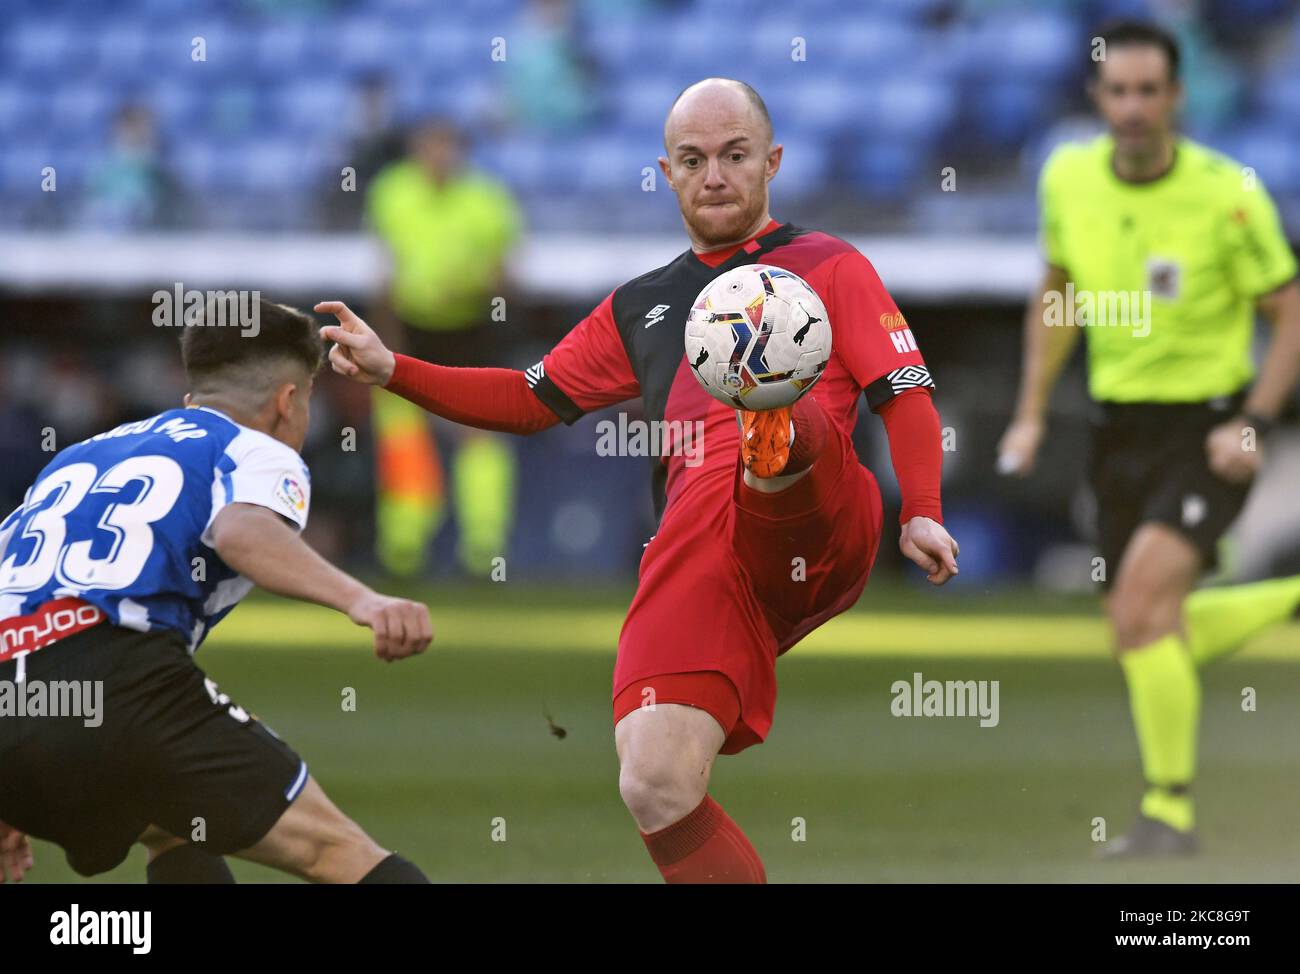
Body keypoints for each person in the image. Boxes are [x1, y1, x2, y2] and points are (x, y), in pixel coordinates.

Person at [319, 77, 959, 883]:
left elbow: (903, 392)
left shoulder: (829, 265)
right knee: (653, 782)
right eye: (693, 161)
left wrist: (923, 511)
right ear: (666, 173)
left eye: (735, 156)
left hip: (817, 500)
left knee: (774, 416)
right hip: (705, 546)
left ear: (773, 162)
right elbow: (529, 399)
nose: (715, 176)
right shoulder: (643, 306)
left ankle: (771, 412)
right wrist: (393, 369)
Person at [0, 298, 432, 883]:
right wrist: (364, 600)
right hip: (116, 674)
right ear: (287, 401)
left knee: (177, 819)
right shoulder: (254, 447)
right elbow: (242, 531)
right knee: (334, 852)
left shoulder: (78, 457)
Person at [999, 21, 1300, 857]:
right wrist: (1028, 411)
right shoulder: (1067, 178)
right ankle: (1289, 598)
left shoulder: (1225, 192)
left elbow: (1291, 309)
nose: (1132, 107)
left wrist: (1254, 421)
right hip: (1114, 428)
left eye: (1148, 92)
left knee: (1140, 606)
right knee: (1140, 627)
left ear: (1175, 97)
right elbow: (1054, 288)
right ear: (1098, 97)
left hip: (1206, 430)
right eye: (1117, 91)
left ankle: (1168, 813)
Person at [365, 120, 523, 578]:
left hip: (470, 330)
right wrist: (385, 335)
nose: (438, 157)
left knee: (479, 438)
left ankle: (483, 549)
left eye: (446, 147)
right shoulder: (391, 193)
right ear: (415, 150)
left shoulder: (487, 201)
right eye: (429, 147)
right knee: (404, 439)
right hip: (409, 330)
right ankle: (403, 549)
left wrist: (475, 286)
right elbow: (384, 270)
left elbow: (508, 280)